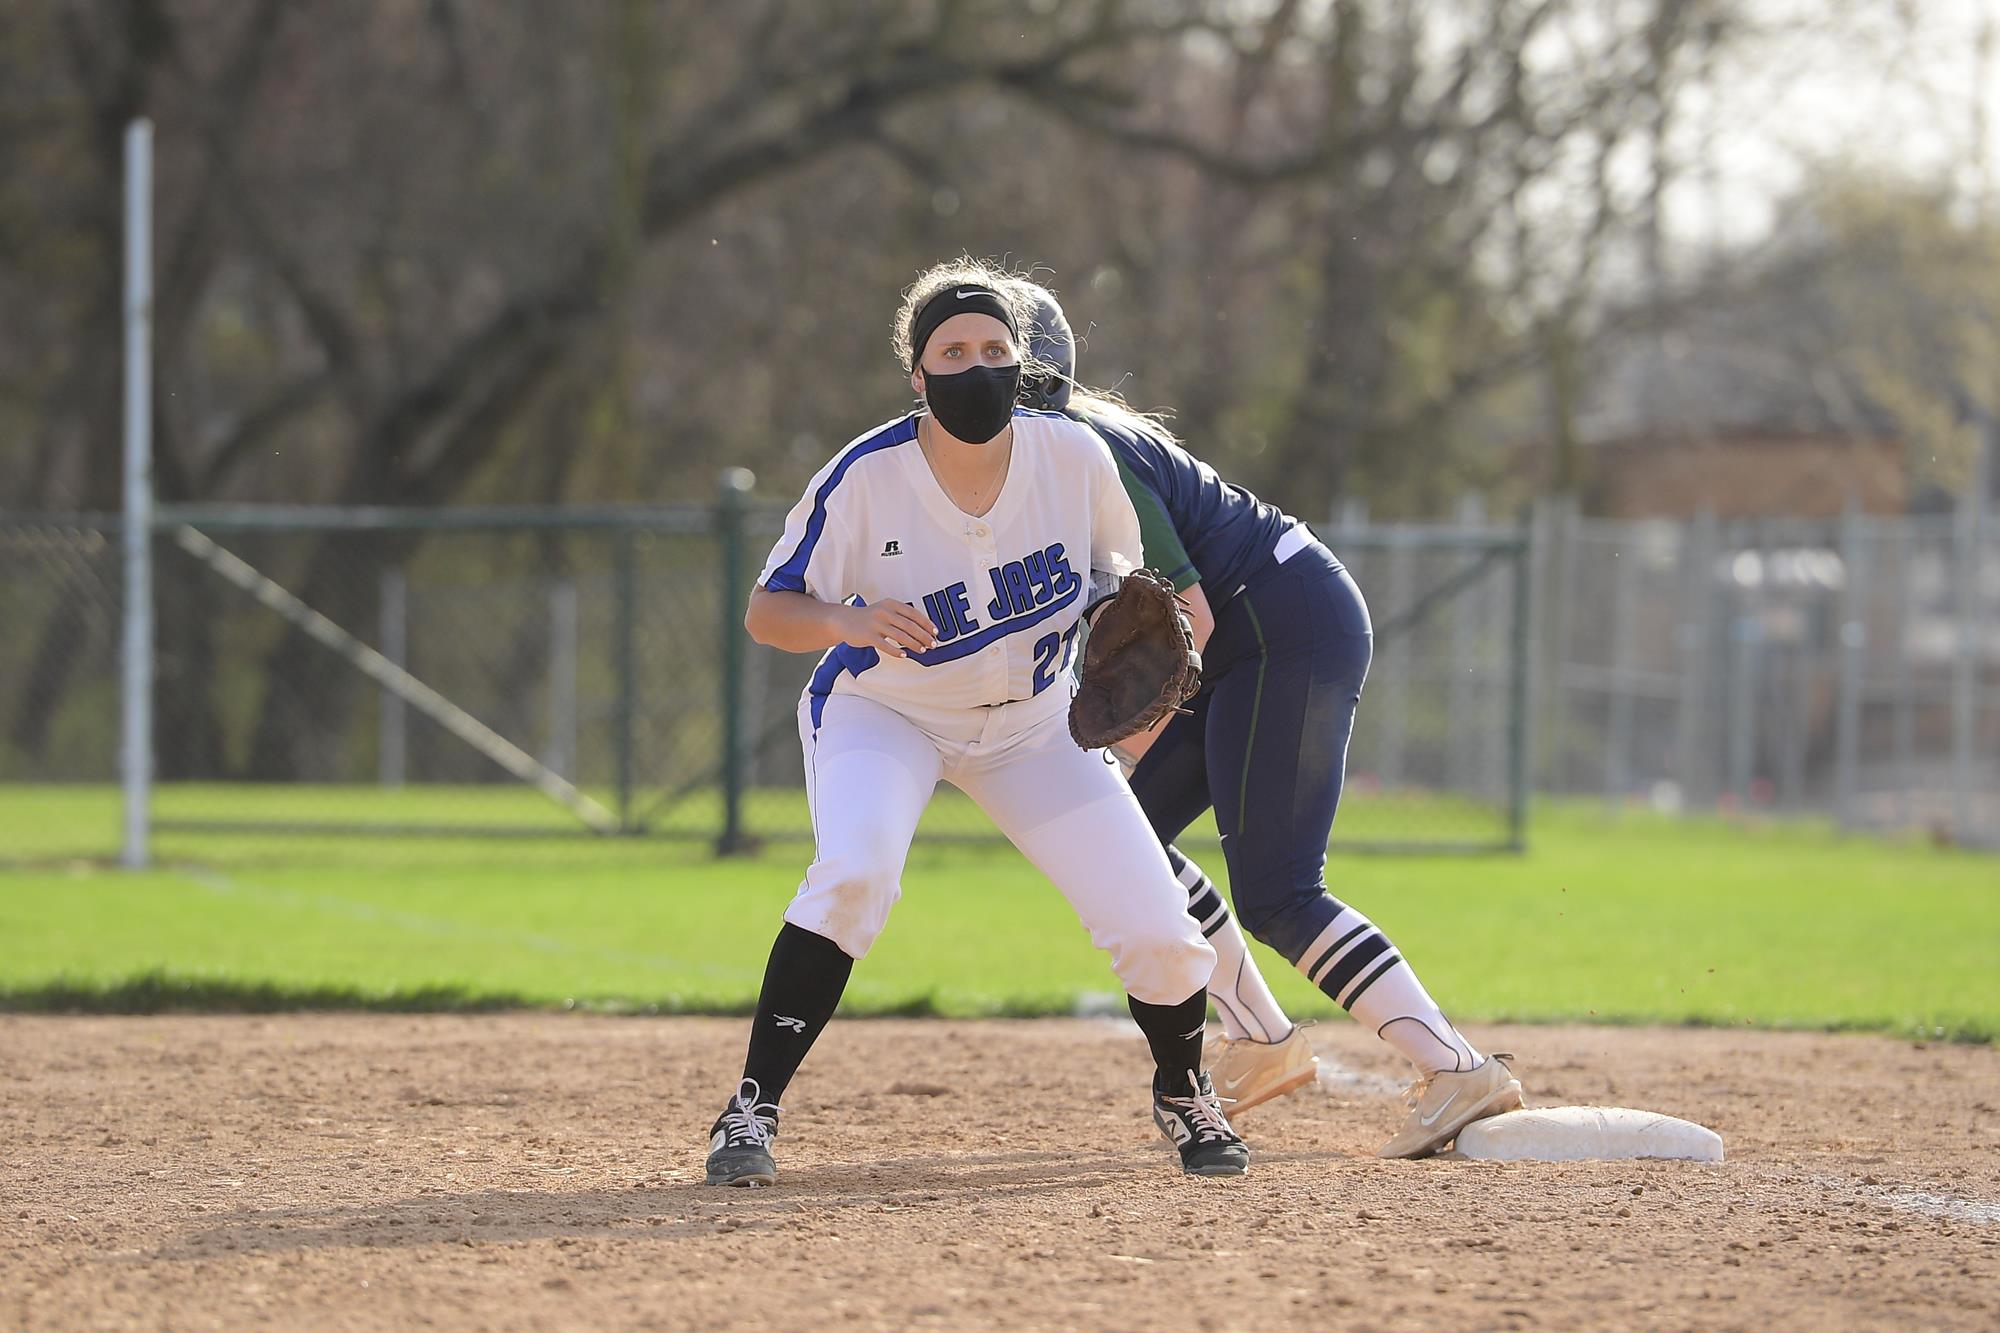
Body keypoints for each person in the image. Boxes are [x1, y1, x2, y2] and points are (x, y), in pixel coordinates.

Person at [704, 258, 1250, 1187]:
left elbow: (1121, 580)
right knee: (855, 876)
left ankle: (1183, 1088)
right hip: (888, 712)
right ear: (917, 375)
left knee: (1159, 930)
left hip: (1034, 727)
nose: (977, 365)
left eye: (995, 348)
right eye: (952, 350)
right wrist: (844, 620)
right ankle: (749, 1108)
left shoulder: (1073, 456)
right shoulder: (865, 476)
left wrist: (1120, 635)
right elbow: (768, 610)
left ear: (1020, 361)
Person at [1010, 278, 1522, 1159]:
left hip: (1282, 625)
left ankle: (1457, 1066)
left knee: (1279, 888)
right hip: (1248, 633)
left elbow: (1187, 619)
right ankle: (1261, 1039)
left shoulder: (1075, 445)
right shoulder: (1052, 442)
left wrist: (1123, 733)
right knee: (1123, 833)